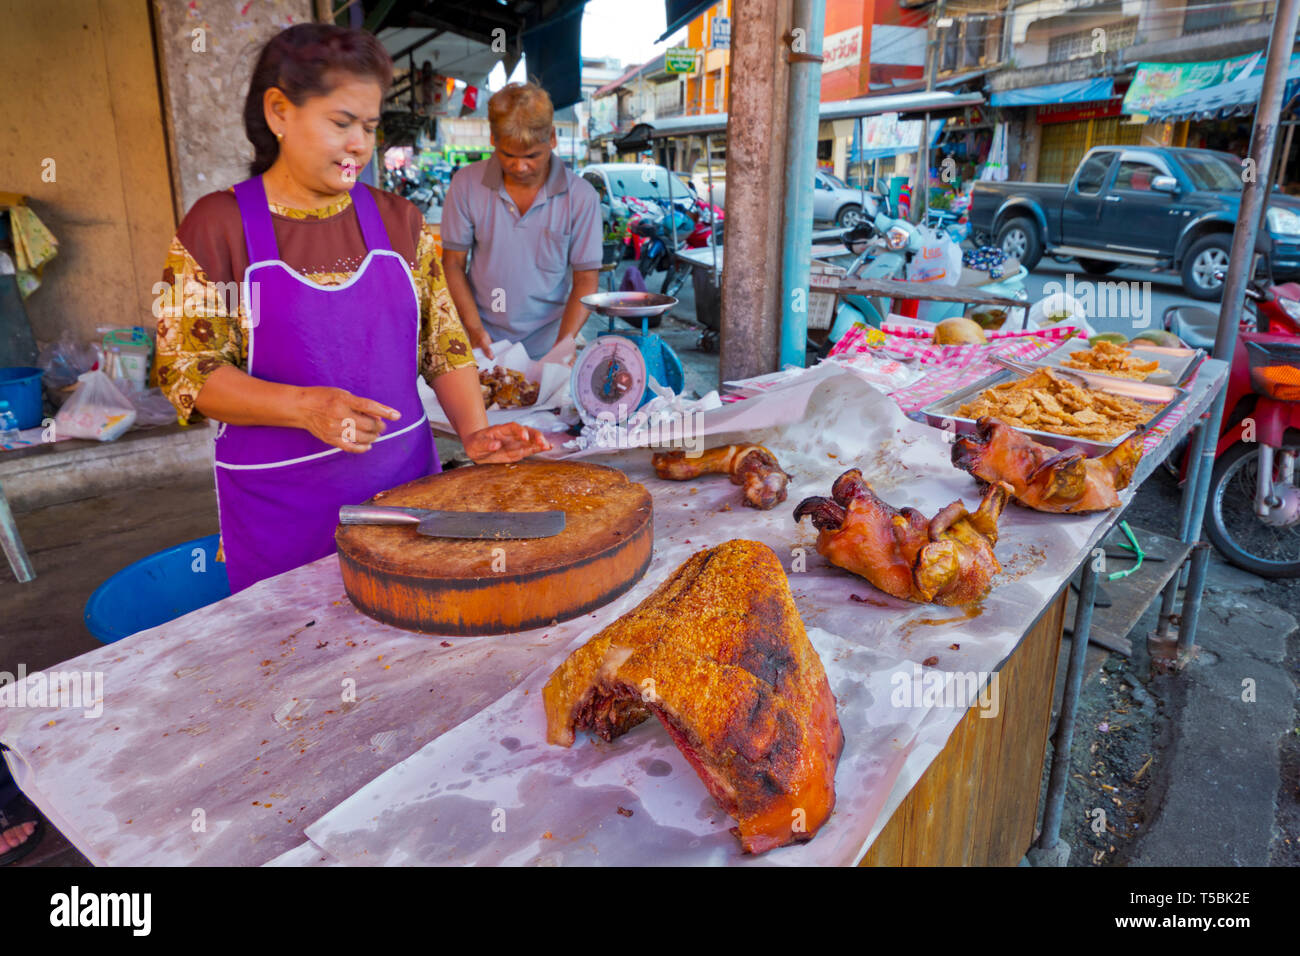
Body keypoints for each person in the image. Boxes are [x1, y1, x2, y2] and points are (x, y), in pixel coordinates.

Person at [154, 23, 550, 594]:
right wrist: (303, 407)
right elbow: (186, 372)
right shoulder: (216, 227)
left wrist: (475, 432)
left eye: (368, 126)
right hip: (280, 516)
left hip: (408, 502)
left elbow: (442, 345)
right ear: (279, 112)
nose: (360, 145)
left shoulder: (400, 221)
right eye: (341, 123)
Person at [441, 82, 603, 363]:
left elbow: (586, 279)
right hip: (481, 344)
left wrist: (562, 346)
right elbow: (453, 264)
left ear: (552, 138)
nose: (520, 166)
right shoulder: (465, 184)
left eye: (532, 156)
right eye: (508, 155)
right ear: (493, 139)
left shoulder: (581, 197)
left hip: (549, 344)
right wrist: (474, 330)